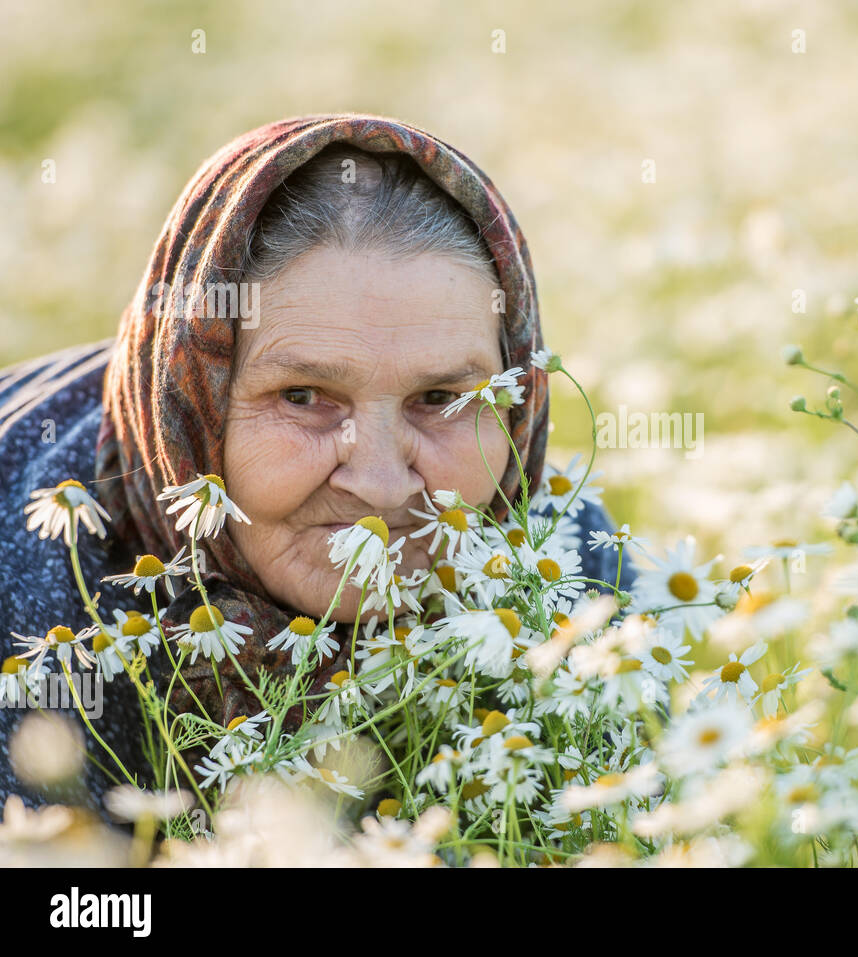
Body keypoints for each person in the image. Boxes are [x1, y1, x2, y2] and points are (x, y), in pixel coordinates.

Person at [0, 114, 632, 819]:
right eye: (303, 397)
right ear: (192, 404)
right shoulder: (33, 603)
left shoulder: (570, 573)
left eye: (442, 398)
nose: (382, 485)